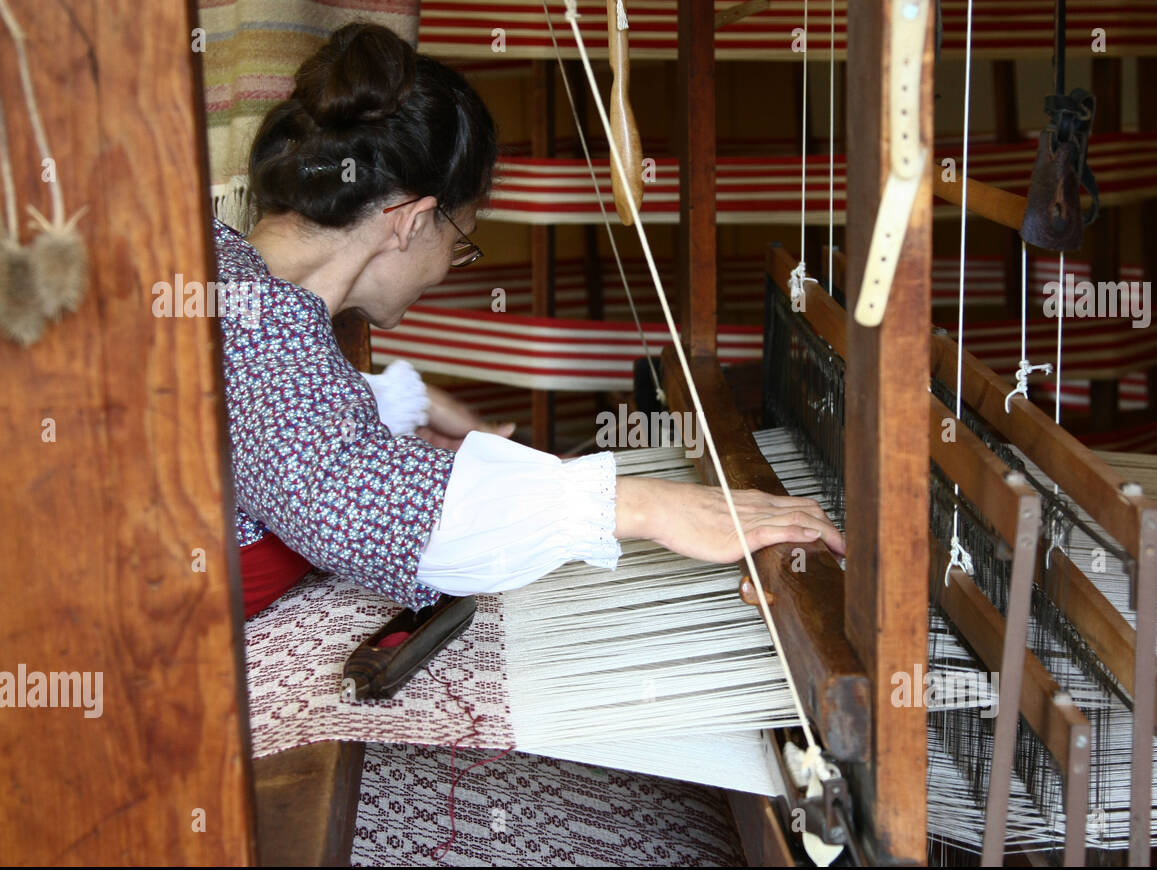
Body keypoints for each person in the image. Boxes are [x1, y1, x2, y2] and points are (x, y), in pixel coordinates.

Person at [218, 22, 844, 618]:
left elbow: (273, 419)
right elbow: (369, 511)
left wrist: (400, 401)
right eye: (461, 240)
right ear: (411, 221)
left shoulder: (228, 275)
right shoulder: (263, 327)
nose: (449, 267)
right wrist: (645, 504)